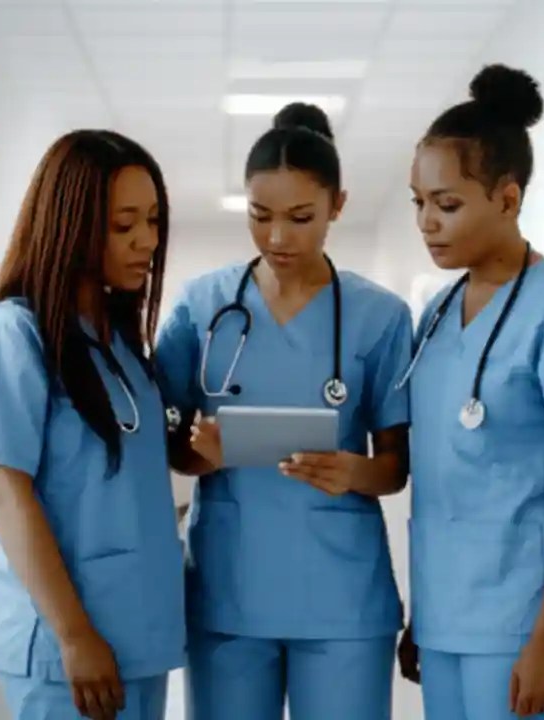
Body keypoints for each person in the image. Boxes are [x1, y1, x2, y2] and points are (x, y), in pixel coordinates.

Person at [153, 103, 413, 720]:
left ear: (337, 206)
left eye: (301, 218)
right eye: (259, 216)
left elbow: (396, 466)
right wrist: (201, 453)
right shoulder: (203, 306)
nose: (277, 237)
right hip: (230, 591)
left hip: (342, 597)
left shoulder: (381, 317)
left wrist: (352, 471)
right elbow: (167, 444)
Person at [397, 64, 544, 719]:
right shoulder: (436, 315)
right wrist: (426, 617)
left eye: (447, 204)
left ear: (508, 198)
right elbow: (443, 483)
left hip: (530, 624)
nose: (428, 223)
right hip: (448, 625)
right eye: (418, 203)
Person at [0, 129, 185, 720]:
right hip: (68, 642)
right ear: (73, 225)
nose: (147, 242)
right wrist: (75, 634)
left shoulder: (117, 340)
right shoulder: (13, 333)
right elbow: (6, 490)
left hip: (136, 633)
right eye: (123, 225)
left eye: (153, 221)